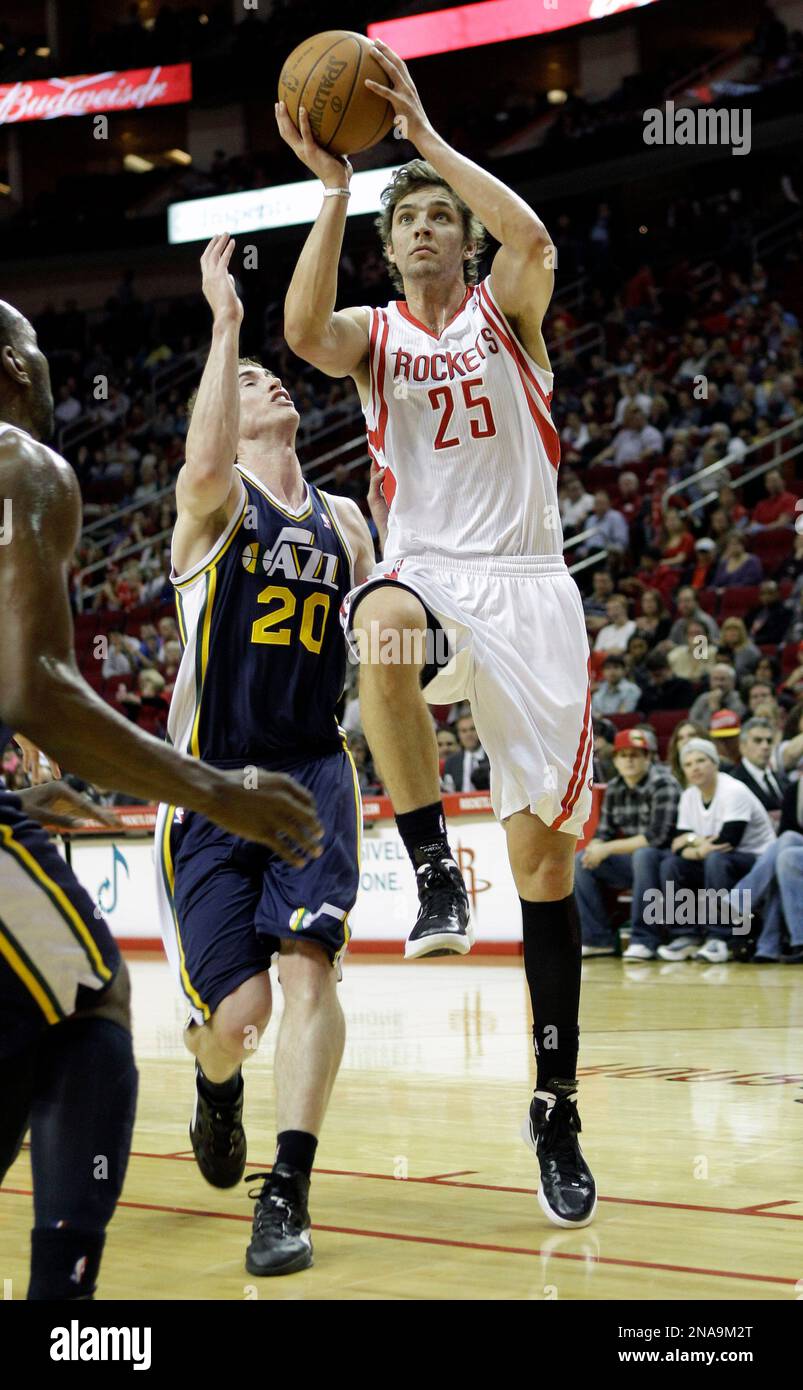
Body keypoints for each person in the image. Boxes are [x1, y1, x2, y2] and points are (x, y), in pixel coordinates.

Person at [278, 40, 597, 1226]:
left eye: (435, 221)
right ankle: (425, 872)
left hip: (532, 587)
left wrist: (423, 144)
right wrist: (330, 191)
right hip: (433, 574)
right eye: (404, 223)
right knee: (381, 628)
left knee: (546, 870)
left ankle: (554, 1103)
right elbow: (303, 330)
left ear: (457, 236)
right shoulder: (374, 338)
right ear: (388, 244)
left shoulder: (506, 312)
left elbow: (534, 242)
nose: (421, 232)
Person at [0, 298, 322, 1301]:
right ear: (12, 363)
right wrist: (218, 790)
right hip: (221, 768)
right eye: (44, 350)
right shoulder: (22, 464)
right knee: (91, 1000)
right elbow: (39, 685)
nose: (53, 372)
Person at [155, 236, 376, 1277]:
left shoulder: (345, 520)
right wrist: (227, 325)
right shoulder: (209, 509)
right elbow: (201, 463)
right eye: (245, 382)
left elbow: (381, 658)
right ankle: (211, 1083)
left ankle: (285, 1186)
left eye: (270, 374)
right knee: (234, 1015)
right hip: (207, 785)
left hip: (311, 775)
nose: (266, 382)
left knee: (309, 971)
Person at [657, 739, 776, 963]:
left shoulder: (734, 790)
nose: (695, 767)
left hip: (757, 861)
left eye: (701, 760)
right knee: (671, 864)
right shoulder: (688, 796)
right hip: (716, 857)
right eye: (689, 764)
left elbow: (728, 840)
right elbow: (678, 844)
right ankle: (686, 936)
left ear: (715, 763)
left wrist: (692, 844)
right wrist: (697, 846)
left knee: (716, 859)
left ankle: (719, 937)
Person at [575, 729, 680, 960]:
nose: (629, 760)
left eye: (636, 754)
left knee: (645, 854)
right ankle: (597, 939)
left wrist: (607, 848)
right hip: (632, 861)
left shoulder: (664, 784)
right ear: (615, 760)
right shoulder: (615, 787)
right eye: (624, 755)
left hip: (667, 860)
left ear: (648, 757)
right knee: (580, 861)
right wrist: (595, 848)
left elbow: (656, 838)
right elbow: (604, 831)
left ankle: (644, 939)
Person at [730, 717, 788, 815]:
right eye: (758, 741)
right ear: (742, 746)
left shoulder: (780, 777)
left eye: (769, 741)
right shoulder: (734, 782)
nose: (765, 746)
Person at [442, 710, 490, 791]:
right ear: (458, 734)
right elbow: (448, 792)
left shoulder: (492, 758)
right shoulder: (451, 762)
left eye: (472, 729)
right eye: (464, 731)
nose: (469, 734)